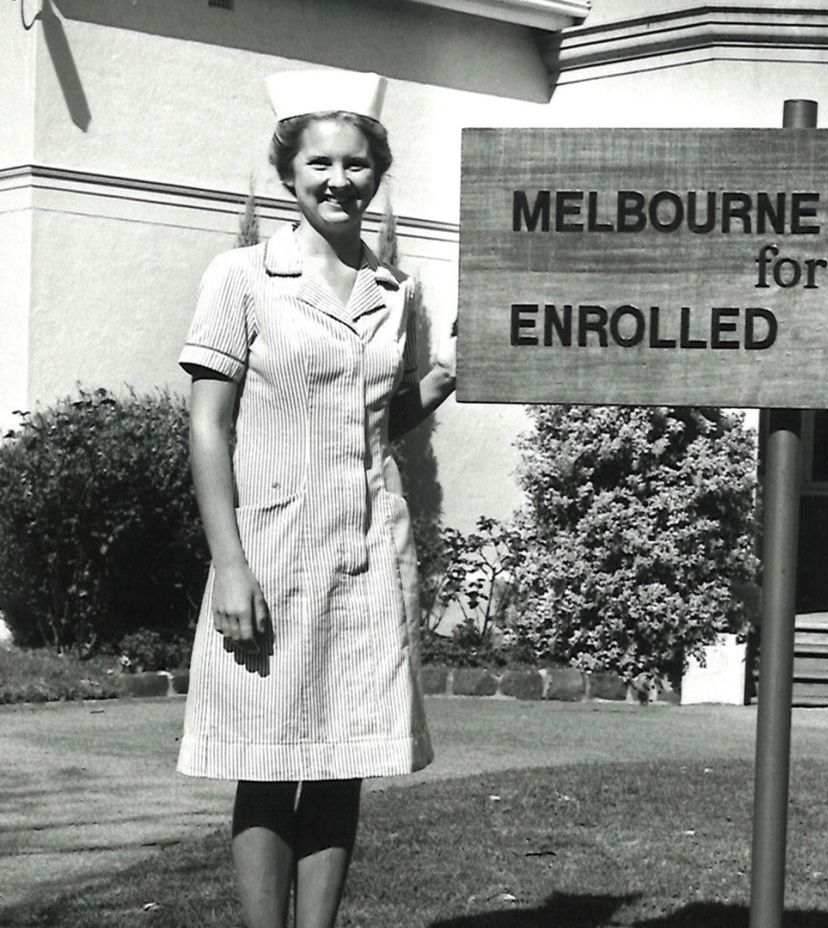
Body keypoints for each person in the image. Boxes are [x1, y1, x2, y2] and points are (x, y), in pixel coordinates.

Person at [176, 70, 455, 928]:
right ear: (289, 174)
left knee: (341, 758)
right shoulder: (242, 277)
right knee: (265, 762)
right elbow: (209, 427)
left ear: (378, 174)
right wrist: (230, 564)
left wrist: (441, 378)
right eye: (321, 163)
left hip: (368, 547)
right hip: (268, 546)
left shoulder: (395, 292)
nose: (340, 180)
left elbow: (374, 420)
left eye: (358, 164)